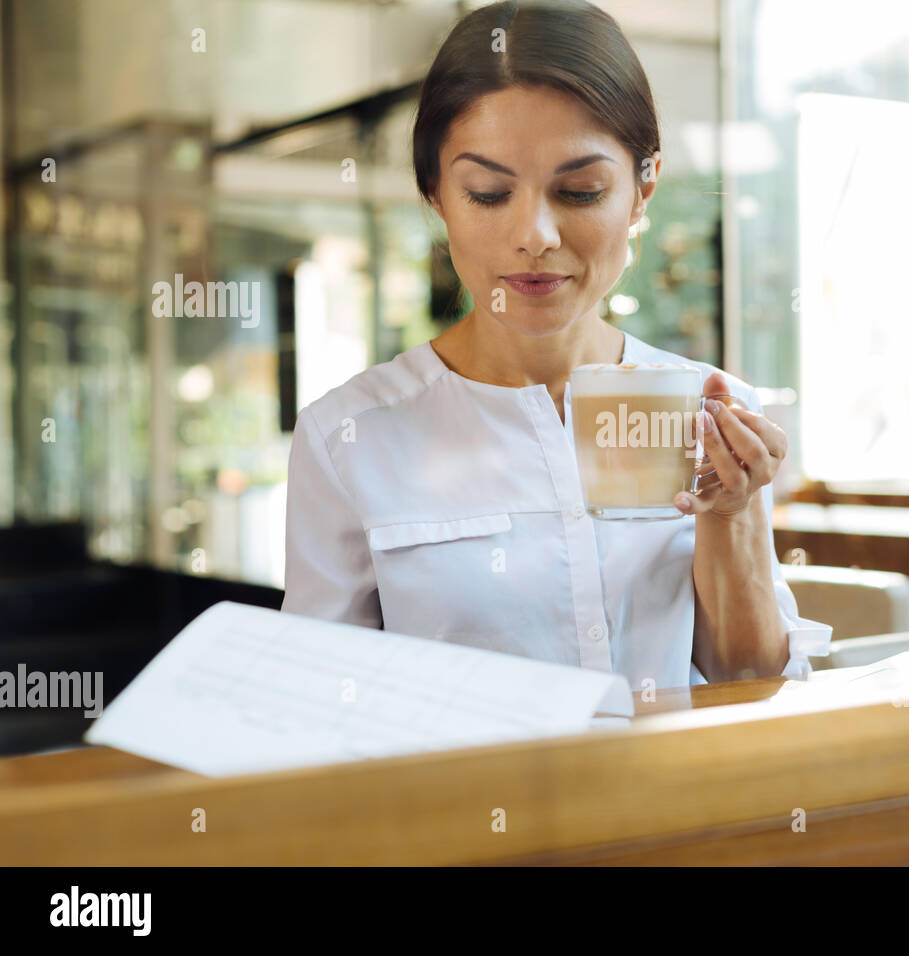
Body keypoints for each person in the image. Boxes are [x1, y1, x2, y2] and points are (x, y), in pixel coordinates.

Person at [281, 0, 831, 688]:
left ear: (640, 192)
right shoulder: (349, 439)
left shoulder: (712, 412)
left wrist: (733, 514)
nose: (536, 235)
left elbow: (748, 681)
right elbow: (322, 709)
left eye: (580, 190)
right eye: (487, 193)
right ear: (435, 195)